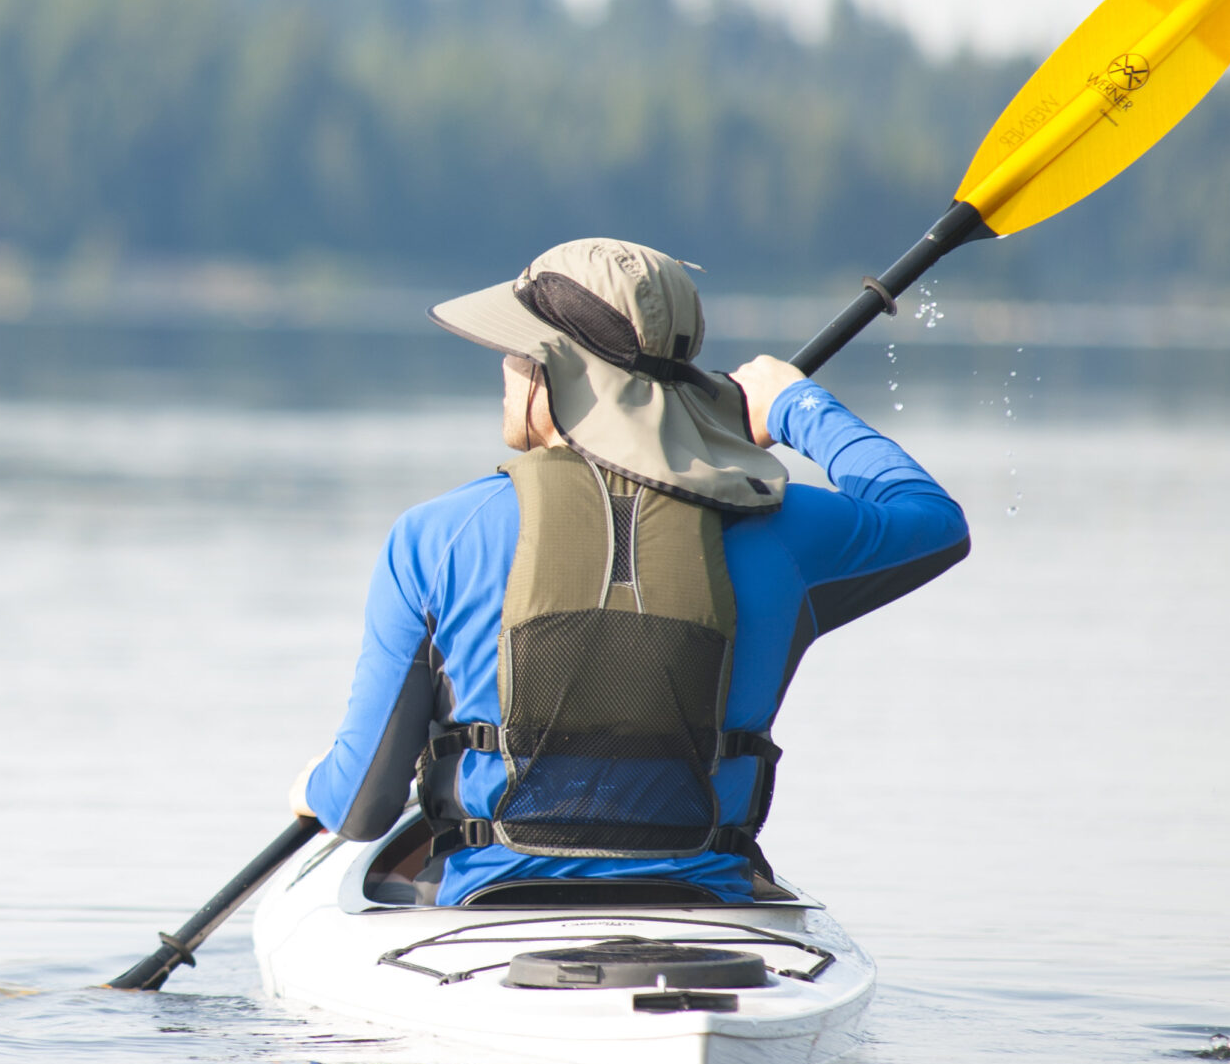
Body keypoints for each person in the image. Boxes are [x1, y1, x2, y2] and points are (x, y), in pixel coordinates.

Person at [289, 237, 969, 904]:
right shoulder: (784, 529)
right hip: (707, 911)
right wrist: (796, 406)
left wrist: (314, 787)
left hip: (490, 908)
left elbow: (361, 806)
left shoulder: (436, 536)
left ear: (556, 370)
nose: (504, 366)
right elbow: (934, 522)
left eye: (516, 351)